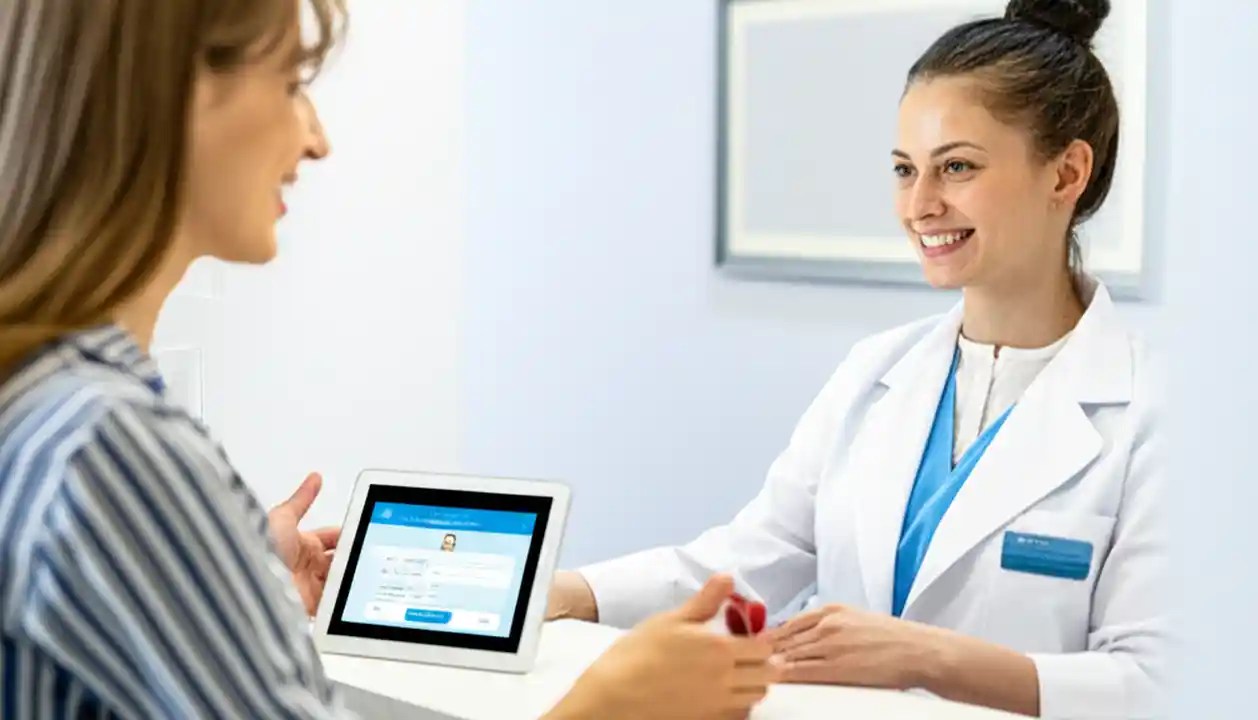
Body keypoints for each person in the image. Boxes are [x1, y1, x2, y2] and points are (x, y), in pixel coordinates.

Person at [0, 2, 775, 718]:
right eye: (293, 85)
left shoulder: (47, 401)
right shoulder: (108, 442)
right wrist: (611, 706)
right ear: (169, 98)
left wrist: (228, 569)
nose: (317, 139)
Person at [548, 1, 1168, 717]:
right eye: (906, 170)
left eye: (956, 167)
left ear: (1066, 175)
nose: (920, 204)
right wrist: (571, 595)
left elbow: (1156, 683)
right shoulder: (875, 373)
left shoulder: (1158, 415)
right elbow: (753, 559)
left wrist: (923, 654)